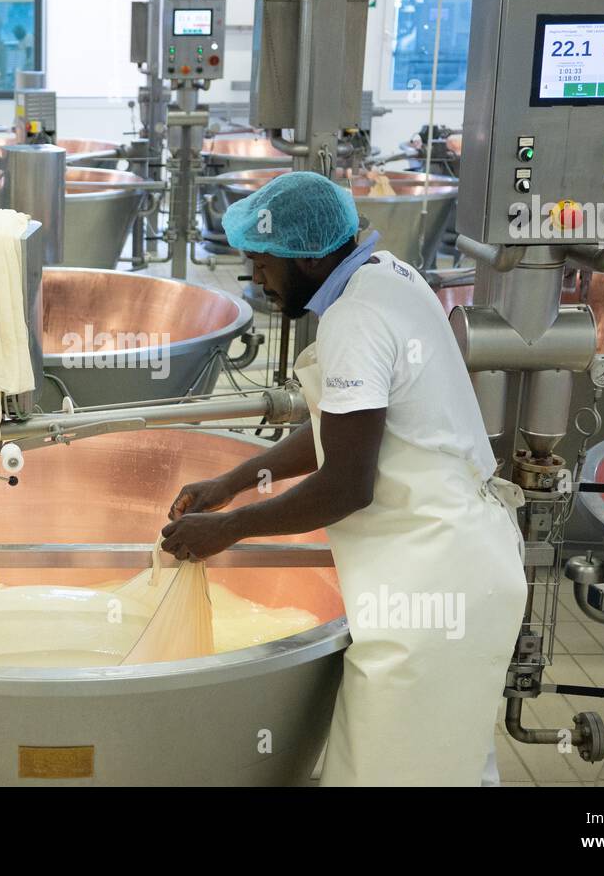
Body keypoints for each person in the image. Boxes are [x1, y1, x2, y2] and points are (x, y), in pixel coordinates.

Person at [159, 171, 526, 786]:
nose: (257, 278)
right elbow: (344, 427)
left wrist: (228, 529)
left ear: (310, 253)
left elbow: (347, 484)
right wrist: (239, 478)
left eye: (264, 261)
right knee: (449, 768)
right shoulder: (388, 274)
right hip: (459, 562)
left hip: (434, 581)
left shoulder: (355, 318)